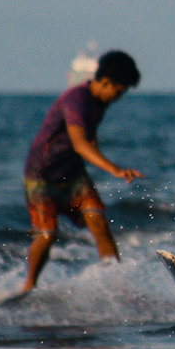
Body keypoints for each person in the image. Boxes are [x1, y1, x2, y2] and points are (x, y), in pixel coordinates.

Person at [21, 50, 143, 292]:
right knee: (47, 235)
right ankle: (28, 286)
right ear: (105, 82)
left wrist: (101, 157)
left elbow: (90, 137)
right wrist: (114, 169)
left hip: (72, 172)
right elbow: (80, 143)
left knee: (99, 223)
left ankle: (117, 287)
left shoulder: (100, 102)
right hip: (41, 174)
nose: (117, 98)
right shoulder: (76, 99)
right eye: (118, 92)